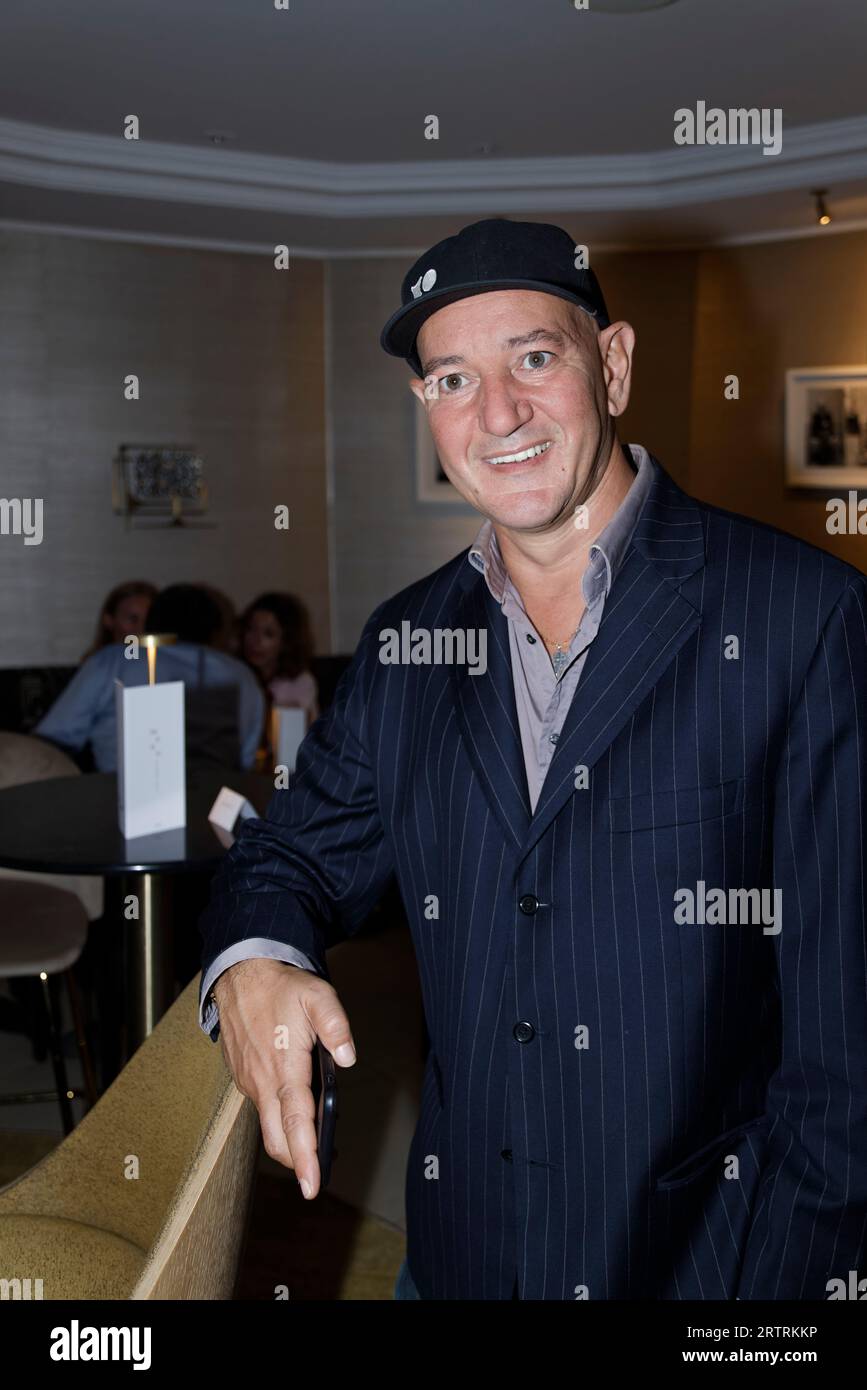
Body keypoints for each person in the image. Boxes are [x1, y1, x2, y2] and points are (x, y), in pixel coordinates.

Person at [197, 218, 867, 1301]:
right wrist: (258, 960)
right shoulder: (407, 643)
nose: (497, 413)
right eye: (453, 378)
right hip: (460, 1254)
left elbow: (847, 1063)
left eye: (535, 358)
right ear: (429, 411)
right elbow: (288, 859)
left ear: (613, 363)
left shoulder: (804, 618)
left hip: (702, 1265)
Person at [37, 583, 264, 772]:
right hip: (216, 806)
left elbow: (53, 738)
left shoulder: (116, 659)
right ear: (215, 629)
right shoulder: (243, 675)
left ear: (153, 623)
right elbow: (245, 759)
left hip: (121, 802)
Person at [240, 593, 320, 765]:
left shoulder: (299, 682)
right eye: (250, 629)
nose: (255, 641)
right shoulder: (235, 675)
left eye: (268, 634)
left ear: (286, 641)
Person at [81, 580, 158, 659]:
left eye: (149, 619)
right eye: (133, 619)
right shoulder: (96, 666)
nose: (142, 627)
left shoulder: (167, 664)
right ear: (109, 620)